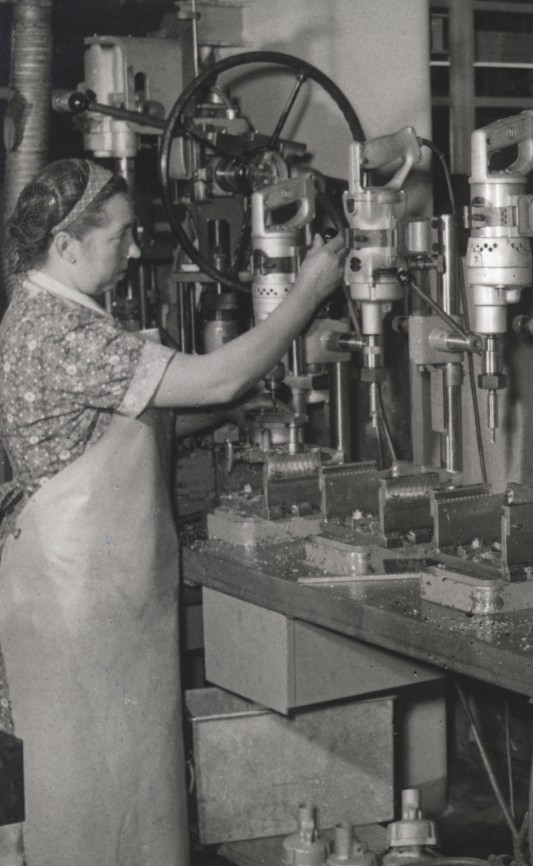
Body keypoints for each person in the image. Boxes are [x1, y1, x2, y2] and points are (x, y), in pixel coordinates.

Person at [0, 158, 347, 865]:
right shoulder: (59, 330)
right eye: (121, 237)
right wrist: (305, 293)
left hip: (99, 608)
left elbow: (140, 418)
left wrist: (247, 394)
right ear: (66, 244)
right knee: (98, 822)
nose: (135, 252)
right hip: (77, 611)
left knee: (125, 813)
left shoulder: (54, 312)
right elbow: (215, 374)